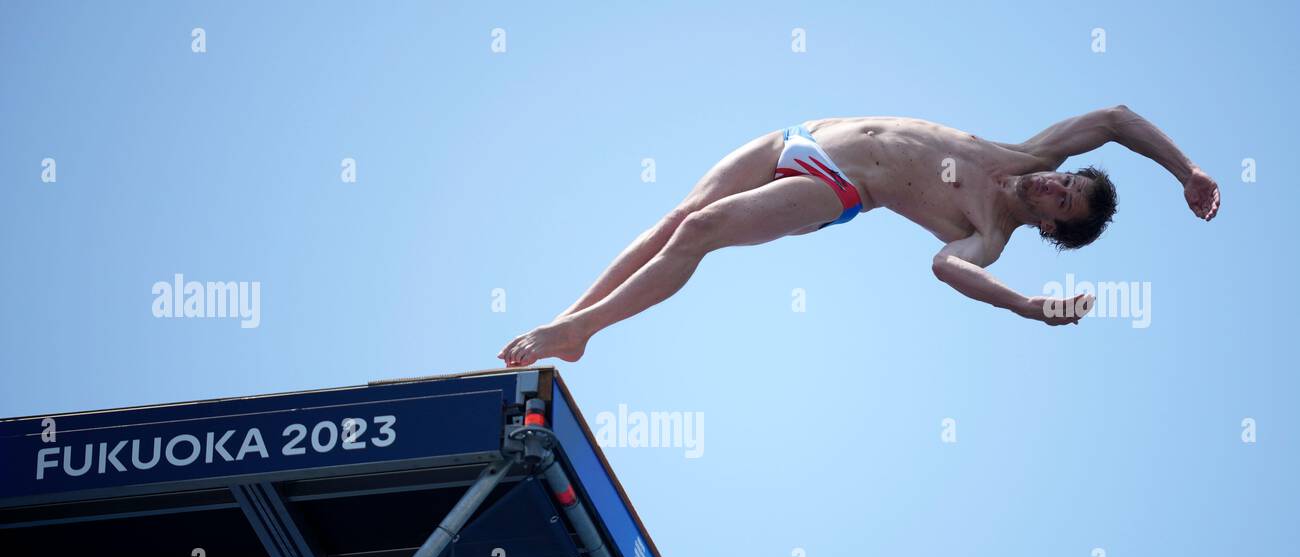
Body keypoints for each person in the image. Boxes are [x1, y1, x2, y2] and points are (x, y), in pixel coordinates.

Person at [498, 108, 1219, 367]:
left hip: (837, 187)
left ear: (1054, 227)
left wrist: (1029, 308)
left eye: (1066, 202)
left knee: (698, 230)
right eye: (1071, 181)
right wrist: (1184, 170)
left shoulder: (987, 234)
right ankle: (570, 325)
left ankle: (581, 329)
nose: (1057, 188)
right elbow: (1118, 119)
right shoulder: (1031, 153)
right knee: (668, 220)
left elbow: (951, 271)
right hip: (806, 134)